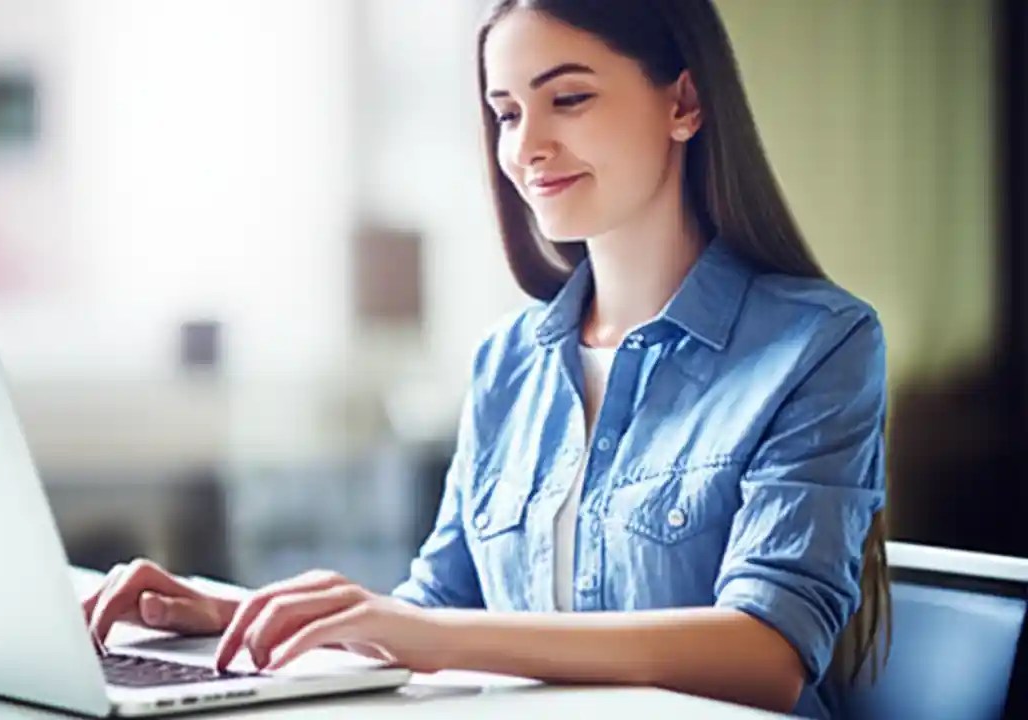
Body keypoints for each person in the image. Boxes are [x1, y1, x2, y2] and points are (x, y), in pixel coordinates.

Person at [82, 1, 889, 716]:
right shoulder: (509, 360)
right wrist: (236, 617)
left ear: (683, 101)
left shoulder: (818, 345)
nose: (526, 147)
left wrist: (428, 633)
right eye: (505, 113)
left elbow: (768, 656)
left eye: (567, 99)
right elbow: (437, 607)